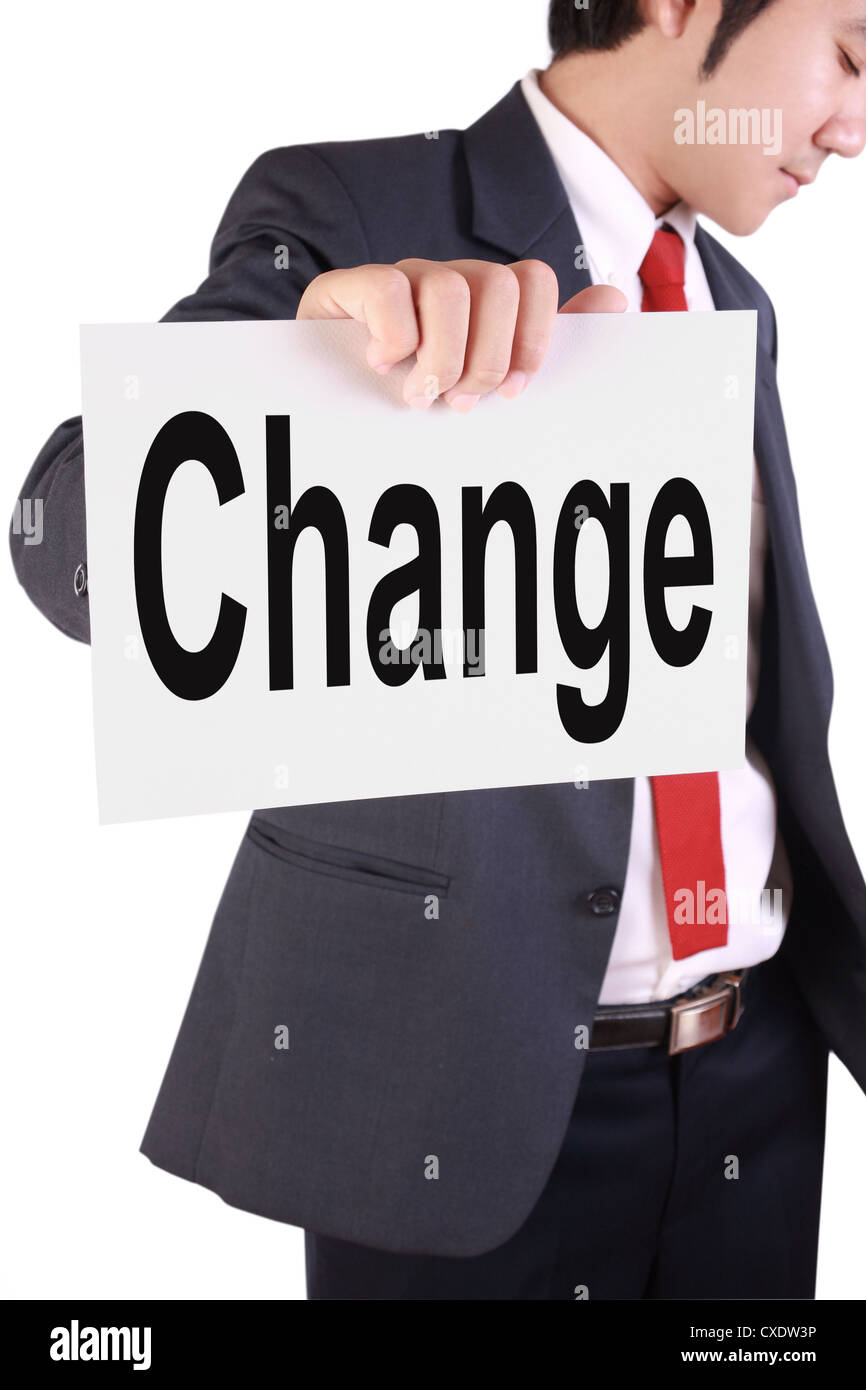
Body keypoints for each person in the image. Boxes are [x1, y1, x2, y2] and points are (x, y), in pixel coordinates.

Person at [9, 0, 866, 1300]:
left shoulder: (729, 299)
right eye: (851, 55)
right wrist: (312, 376)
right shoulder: (357, 212)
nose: (851, 130)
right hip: (462, 1110)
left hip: (756, 1073)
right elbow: (66, 539)